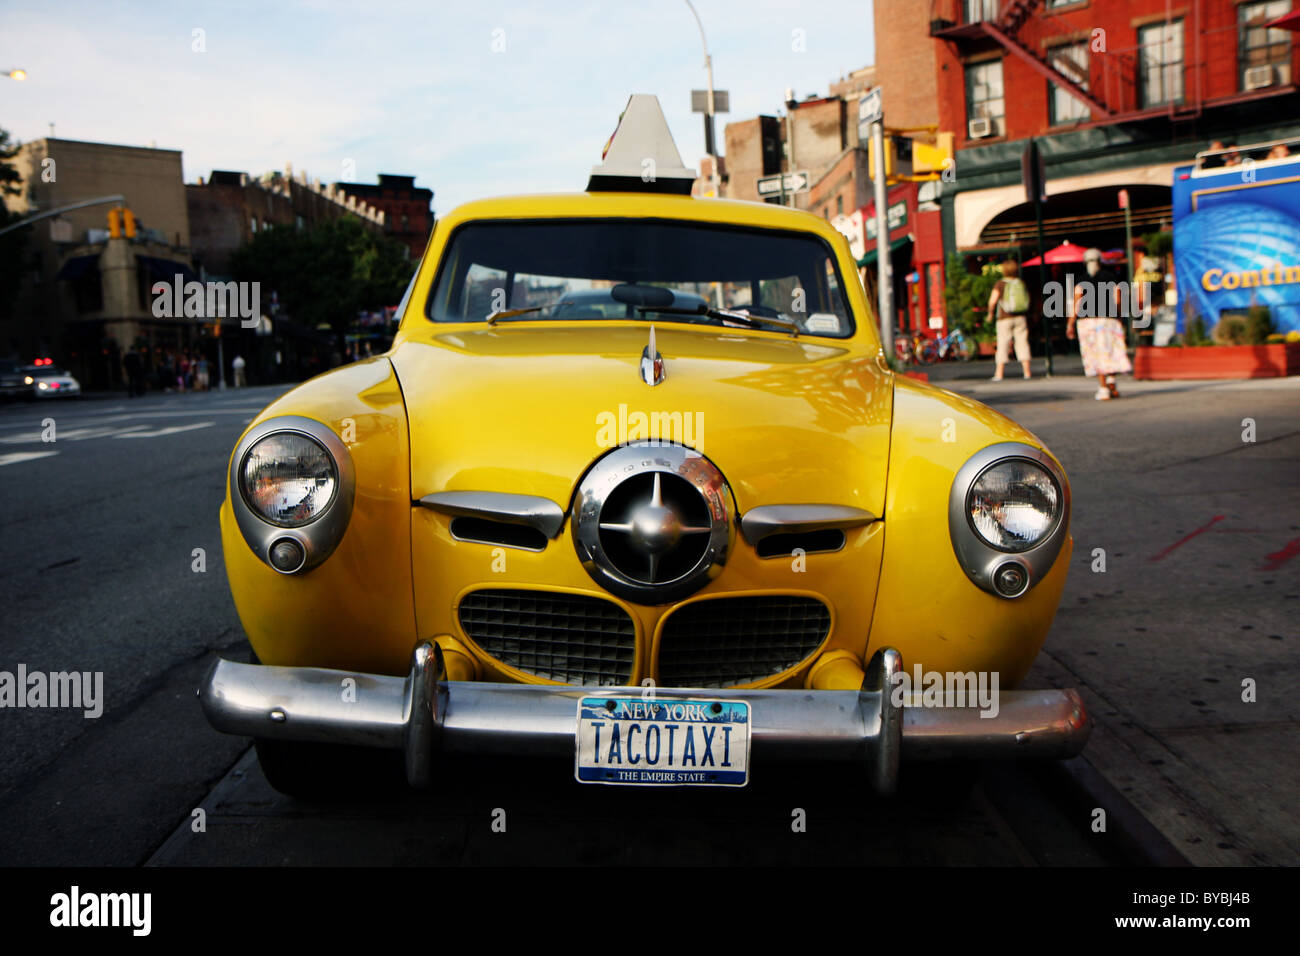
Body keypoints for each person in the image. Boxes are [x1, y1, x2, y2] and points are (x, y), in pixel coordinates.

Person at [1067, 247, 1132, 400]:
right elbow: (1117, 300)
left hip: (1088, 321)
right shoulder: (1110, 277)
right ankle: (1111, 379)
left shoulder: (1081, 280)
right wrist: (1120, 317)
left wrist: (1070, 323)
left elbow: (1076, 304)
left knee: (1096, 354)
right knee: (1110, 351)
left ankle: (1103, 388)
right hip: (1109, 319)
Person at [985, 259, 1032, 381]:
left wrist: (990, 313)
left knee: (1003, 343)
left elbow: (992, 301)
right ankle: (1027, 372)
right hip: (1020, 317)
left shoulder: (1000, 284)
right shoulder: (1020, 283)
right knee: (1022, 342)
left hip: (1004, 318)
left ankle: (999, 373)